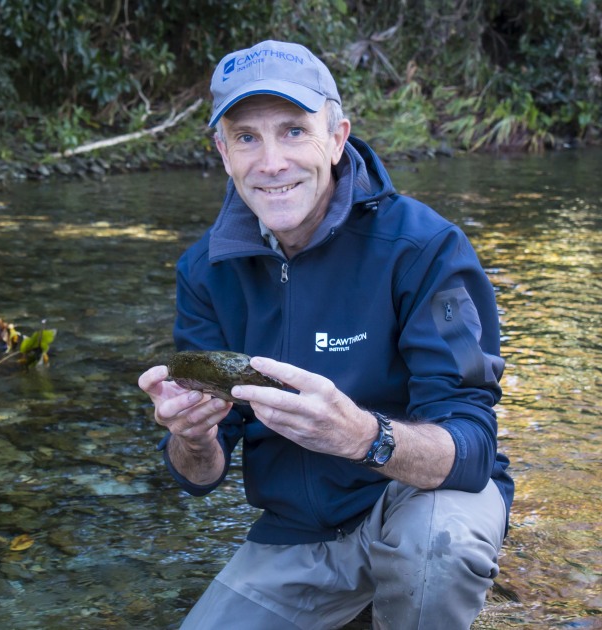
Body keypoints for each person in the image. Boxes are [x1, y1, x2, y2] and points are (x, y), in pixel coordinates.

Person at [137, 40, 514, 629]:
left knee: (439, 552)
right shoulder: (204, 271)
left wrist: (362, 436)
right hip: (301, 537)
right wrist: (191, 436)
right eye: (246, 137)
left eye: (293, 131)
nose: (271, 162)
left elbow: (472, 447)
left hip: (419, 500)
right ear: (222, 152)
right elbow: (199, 477)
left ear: (337, 138)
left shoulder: (427, 249)